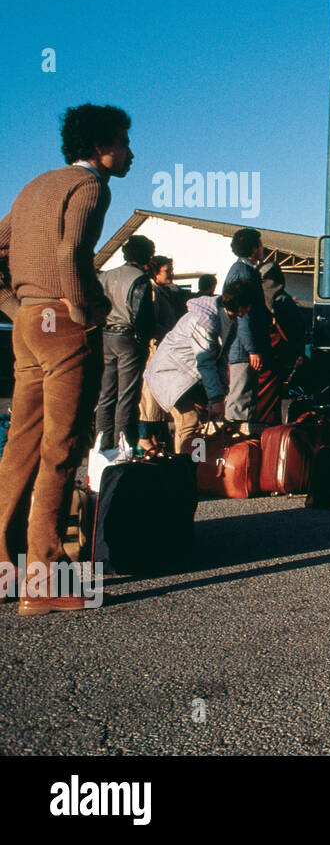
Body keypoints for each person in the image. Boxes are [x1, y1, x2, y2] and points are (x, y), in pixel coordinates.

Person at [0, 103, 132, 615]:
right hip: (62, 323)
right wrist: (86, 309)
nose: (130, 153)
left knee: (20, 445)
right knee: (60, 447)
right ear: (102, 148)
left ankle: (5, 568)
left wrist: (15, 306)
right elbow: (71, 251)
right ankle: (45, 582)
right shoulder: (93, 187)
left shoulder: (35, 186)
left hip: (29, 323)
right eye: (124, 142)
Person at [144, 281, 260, 454]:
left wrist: (221, 394)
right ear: (242, 305)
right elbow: (206, 361)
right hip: (171, 374)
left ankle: (196, 468)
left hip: (190, 376)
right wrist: (216, 399)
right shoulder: (203, 321)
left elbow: (221, 360)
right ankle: (184, 468)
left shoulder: (230, 320)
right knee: (188, 421)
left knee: (200, 422)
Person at [95, 233, 155, 451]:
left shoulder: (105, 276)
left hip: (105, 335)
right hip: (129, 337)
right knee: (127, 395)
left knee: (107, 392)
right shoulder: (139, 279)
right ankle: (123, 444)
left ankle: (101, 441)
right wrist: (144, 338)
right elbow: (142, 314)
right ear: (148, 256)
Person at [222, 228, 273, 431]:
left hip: (245, 347)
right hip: (243, 350)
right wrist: (252, 349)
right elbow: (243, 316)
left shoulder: (245, 270)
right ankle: (234, 445)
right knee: (240, 401)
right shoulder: (242, 273)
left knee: (246, 399)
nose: (262, 248)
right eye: (260, 244)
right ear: (254, 248)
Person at [138, 255, 186, 449]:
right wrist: (168, 334)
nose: (172, 274)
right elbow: (151, 322)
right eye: (168, 270)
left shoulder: (164, 292)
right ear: (155, 272)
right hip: (155, 348)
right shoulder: (151, 293)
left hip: (164, 349)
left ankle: (153, 437)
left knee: (157, 396)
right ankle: (144, 437)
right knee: (149, 396)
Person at [257, 254, 303, 417]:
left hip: (258, 358)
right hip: (279, 358)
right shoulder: (284, 300)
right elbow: (296, 331)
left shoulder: (255, 298)